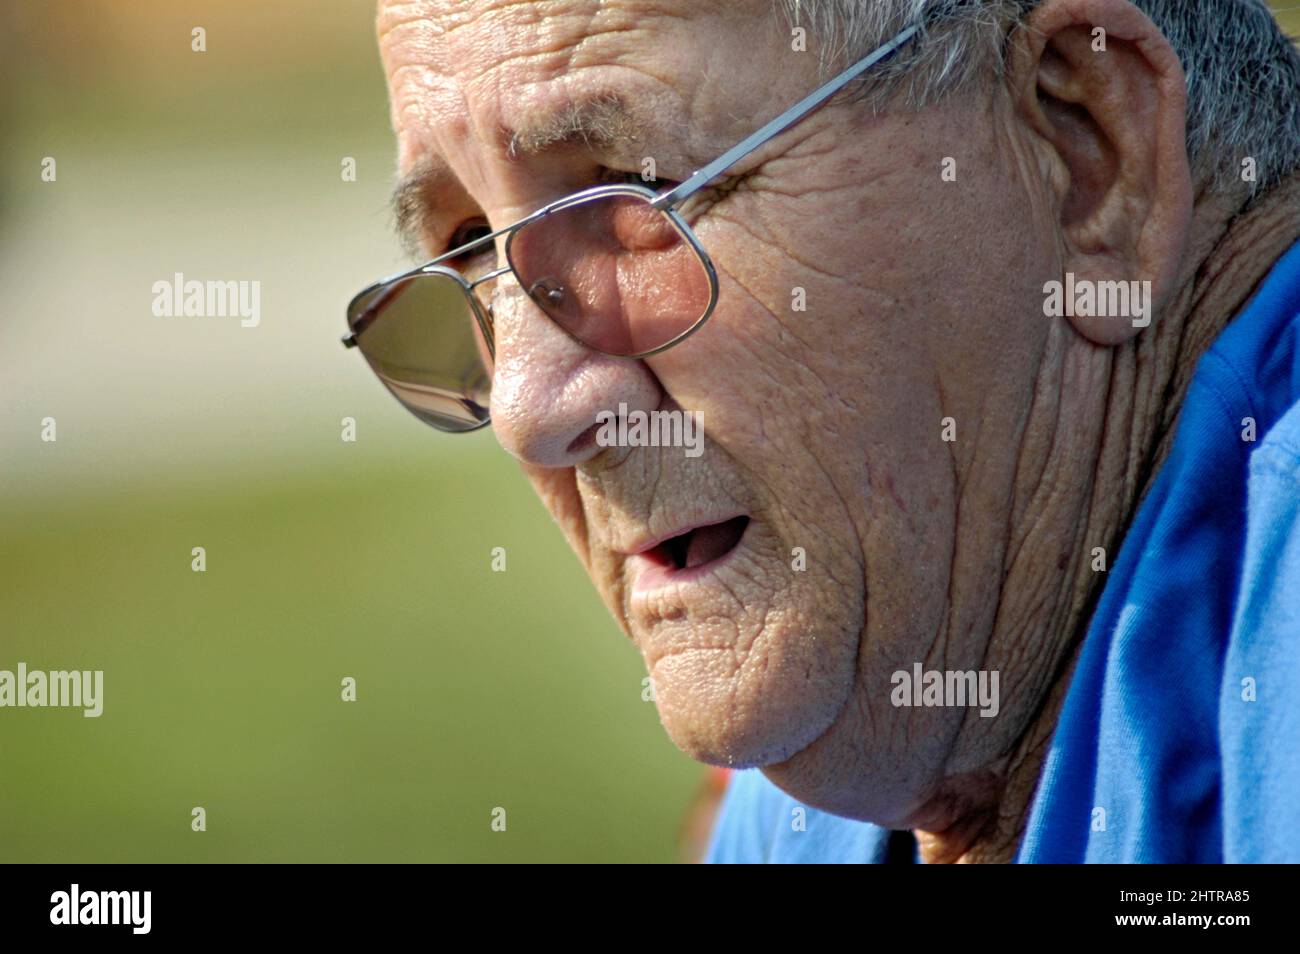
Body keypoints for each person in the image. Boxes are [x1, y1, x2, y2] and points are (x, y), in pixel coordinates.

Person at [345, 0, 1300, 862]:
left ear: (1090, 150)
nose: (527, 409)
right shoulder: (868, 723)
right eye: (468, 247)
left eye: (632, 192)